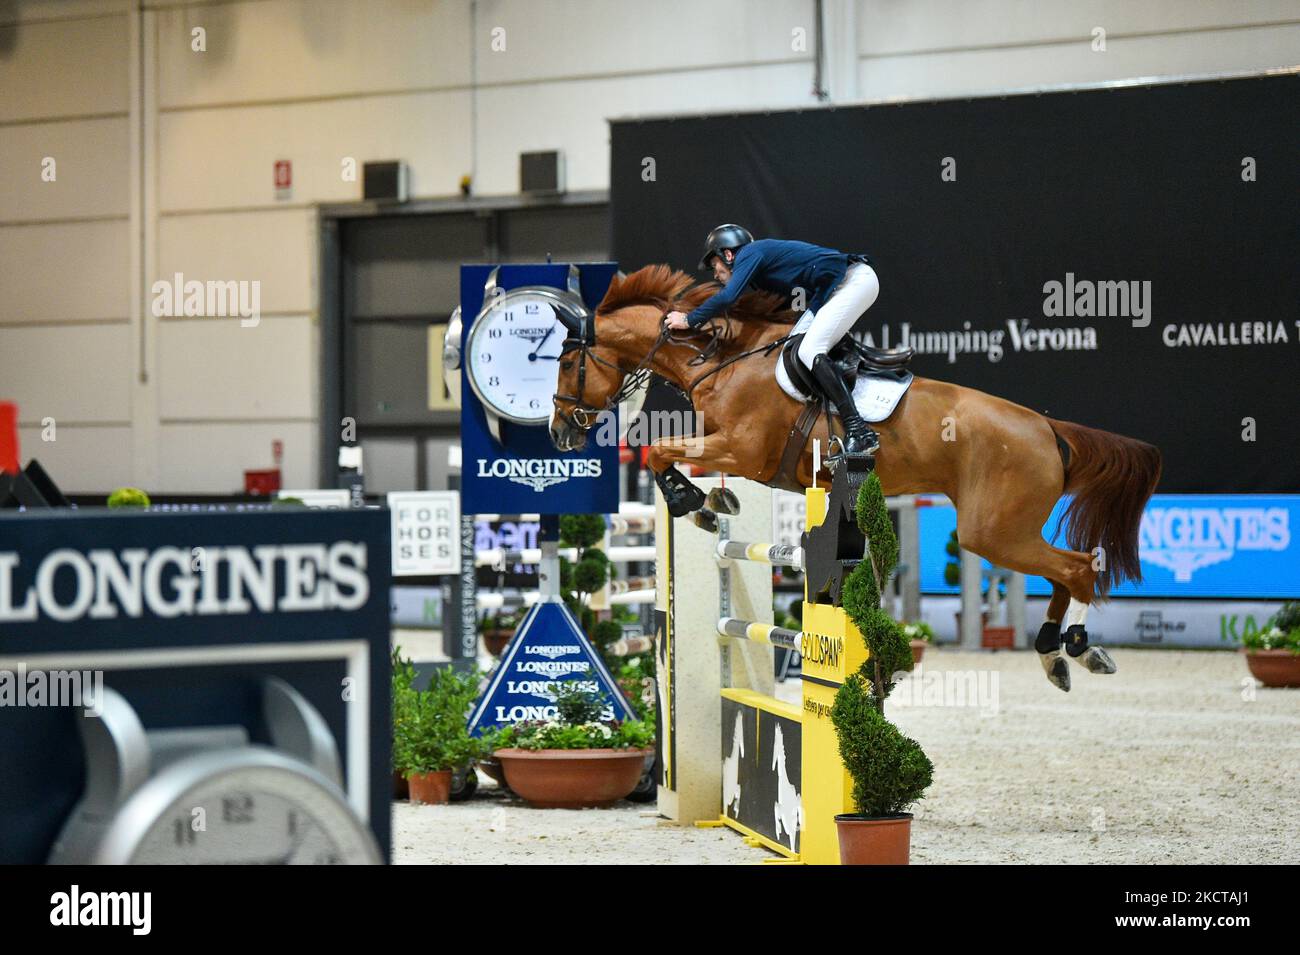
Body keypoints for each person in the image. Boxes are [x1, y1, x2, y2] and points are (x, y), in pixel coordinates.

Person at [665, 224, 881, 455]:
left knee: (809, 351)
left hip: (853, 282)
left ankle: (859, 430)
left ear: (727, 254)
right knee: (792, 347)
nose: (715, 274)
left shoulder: (749, 253)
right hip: (829, 292)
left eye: (714, 266)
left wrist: (689, 320)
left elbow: (727, 298)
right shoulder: (759, 273)